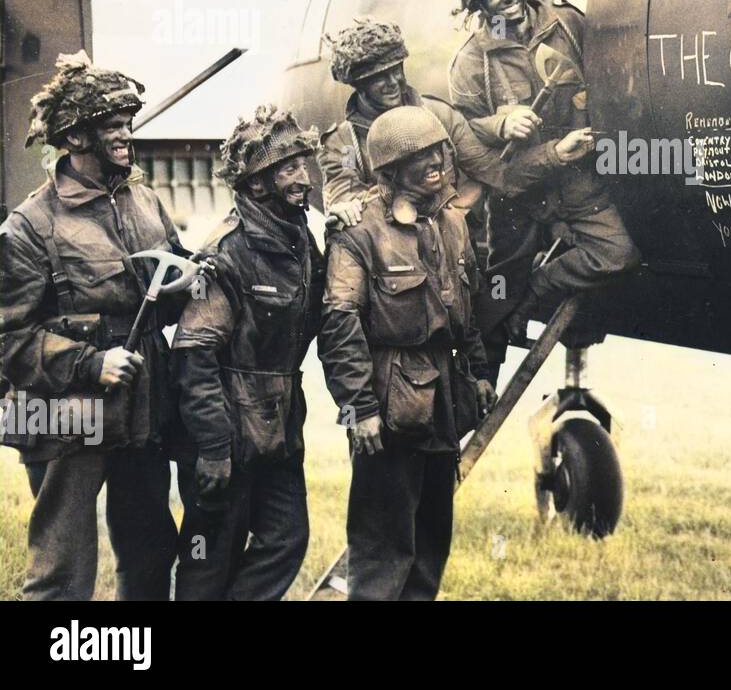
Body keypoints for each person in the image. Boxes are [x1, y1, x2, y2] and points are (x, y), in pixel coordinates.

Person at [0, 51, 183, 600]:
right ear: (75, 139)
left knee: (152, 552)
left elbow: (167, 278)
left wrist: (189, 280)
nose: (127, 135)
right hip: (65, 414)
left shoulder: (144, 199)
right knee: (62, 568)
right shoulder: (30, 226)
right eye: (112, 127)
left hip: (142, 404)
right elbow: (9, 340)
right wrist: (89, 362)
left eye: (128, 123)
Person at [317, 105, 495, 600]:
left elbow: (465, 308)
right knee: (382, 547)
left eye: (438, 150)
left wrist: (478, 372)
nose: (436, 162)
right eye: (419, 156)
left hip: (442, 402)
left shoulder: (452, 222)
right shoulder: (360, 234)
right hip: (389, 406)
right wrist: (361, 409)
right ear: (390, 171)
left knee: (431, 543)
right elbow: (339, 325)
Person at [447, 0, 639, 385]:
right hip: (517, 194)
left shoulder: (566, 24)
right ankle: (478, 389)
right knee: (496, 296)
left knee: (618, 253)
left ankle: (539, 289)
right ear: (481, 6)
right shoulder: (470, 62)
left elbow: (607, 75)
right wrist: (502, 123)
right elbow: (467, 135)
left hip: (577, 180)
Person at [171, 106, 323, 600]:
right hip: (227, 432)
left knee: (287, 538)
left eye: (303, 164)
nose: (303, 177)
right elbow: (193, 355)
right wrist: (214, 450)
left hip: (278, 429)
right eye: (288, 169)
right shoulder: (226, 252)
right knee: (208, 560)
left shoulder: (300, 238)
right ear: (256, 185)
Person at [317, 17, 594, 229]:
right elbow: (344, 196)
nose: (393, 83)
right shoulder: (345, 144)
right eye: (379, 77)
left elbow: (497, 173)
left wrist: (554, 153)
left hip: (450, 254)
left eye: (396, 70)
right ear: (358, 84)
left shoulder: (440, 116)